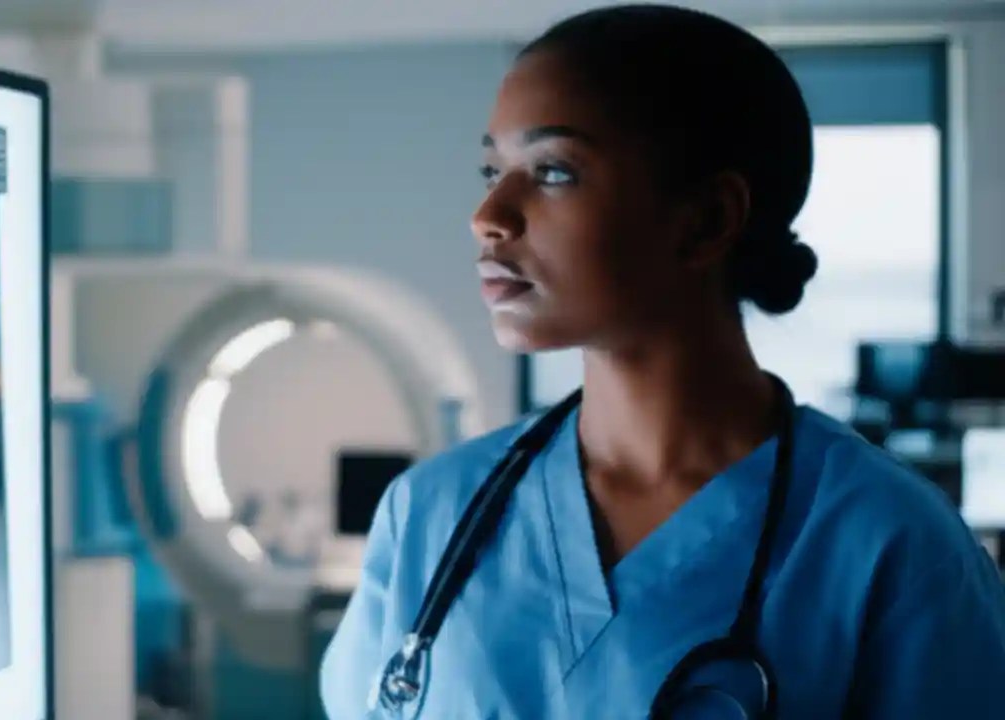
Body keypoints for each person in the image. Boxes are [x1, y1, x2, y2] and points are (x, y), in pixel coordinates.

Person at [319, 4, 1005, 718]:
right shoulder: (432, 513)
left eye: (553, 172)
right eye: (493, 168)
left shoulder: (889, 544)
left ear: (706, 220)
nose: (489, 213)